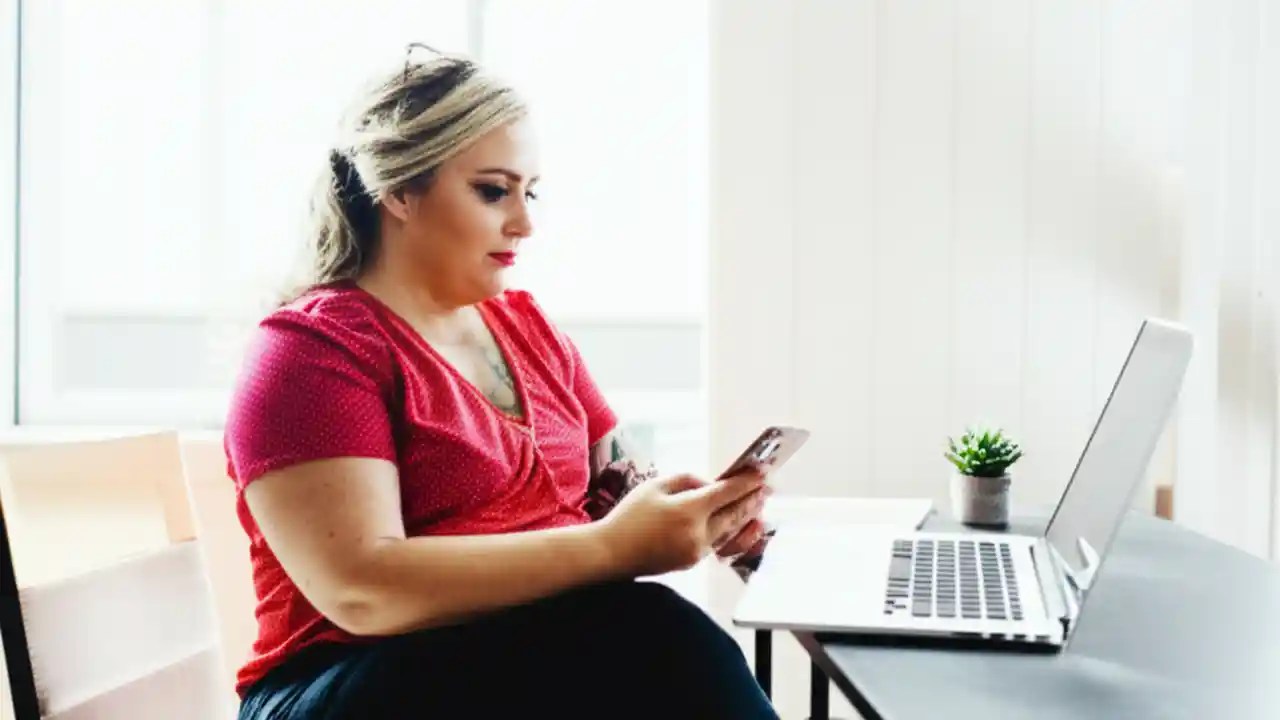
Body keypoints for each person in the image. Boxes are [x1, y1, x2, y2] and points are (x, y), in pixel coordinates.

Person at [225, 45, 777, 720]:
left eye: (529, 191)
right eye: (493, 191)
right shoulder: (311, 352)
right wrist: (614, 547)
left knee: (647, 633)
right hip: (346, 681)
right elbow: (361, 590)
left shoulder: (530, 330)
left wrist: (697, 515)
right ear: (399, 189)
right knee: (649, 636)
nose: (524, 221)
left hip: (522, 662)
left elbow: (617, 486)